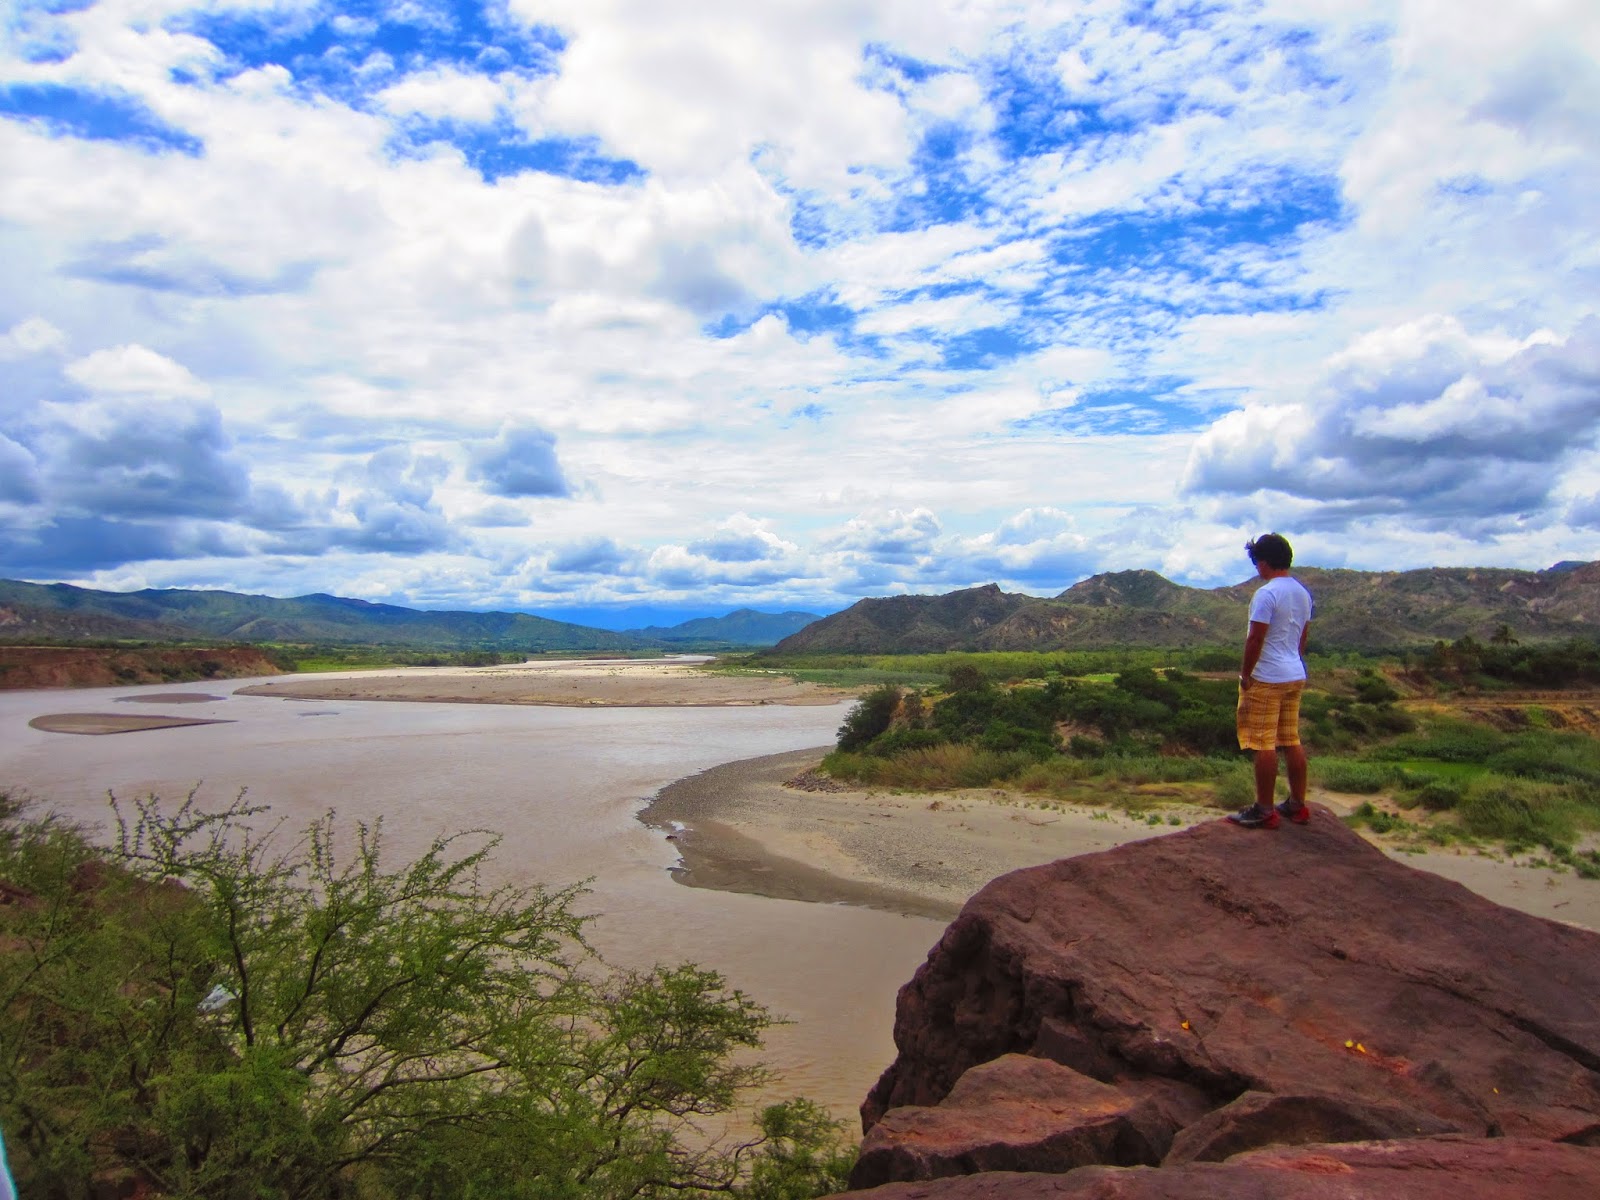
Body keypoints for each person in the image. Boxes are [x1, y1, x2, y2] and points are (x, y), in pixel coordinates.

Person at [1228, 533, 1314, 829]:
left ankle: (1264, 809)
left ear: (1263, 562)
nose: (1256, 568)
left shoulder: (1266, 594)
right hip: (1294, 673)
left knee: (1263, 742)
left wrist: (1246, 674)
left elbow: (1255, 638)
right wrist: (1293, 661)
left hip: (1267, 676)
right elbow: (1302, 637)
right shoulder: (1302, 593)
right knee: (1290, 739)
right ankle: (1297, 804)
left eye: (1256, 562)